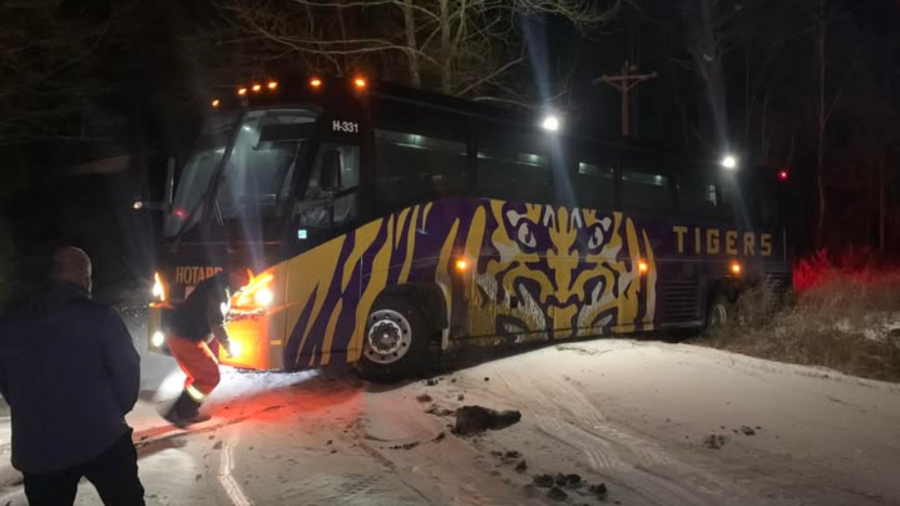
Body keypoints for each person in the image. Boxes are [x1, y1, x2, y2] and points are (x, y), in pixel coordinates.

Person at [0, 247, 144, 506]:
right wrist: (113, 412)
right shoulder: (101, 317)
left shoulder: (10, 322)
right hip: (103, 439)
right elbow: (127, 374)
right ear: (86, 279)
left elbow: (6, 382)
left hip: (38, 451)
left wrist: (34, 412)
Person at [162, 270, 244, 427]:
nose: (243, 288)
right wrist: (228, 346)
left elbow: (209, 311)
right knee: (209, 377)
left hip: (180, 334)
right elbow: (216, 321)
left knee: (198, 376)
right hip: (186, 337)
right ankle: (183, 413)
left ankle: (180, 411)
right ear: (235, 276)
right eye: (244, 282)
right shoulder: (221, 291)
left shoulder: (215, 284)